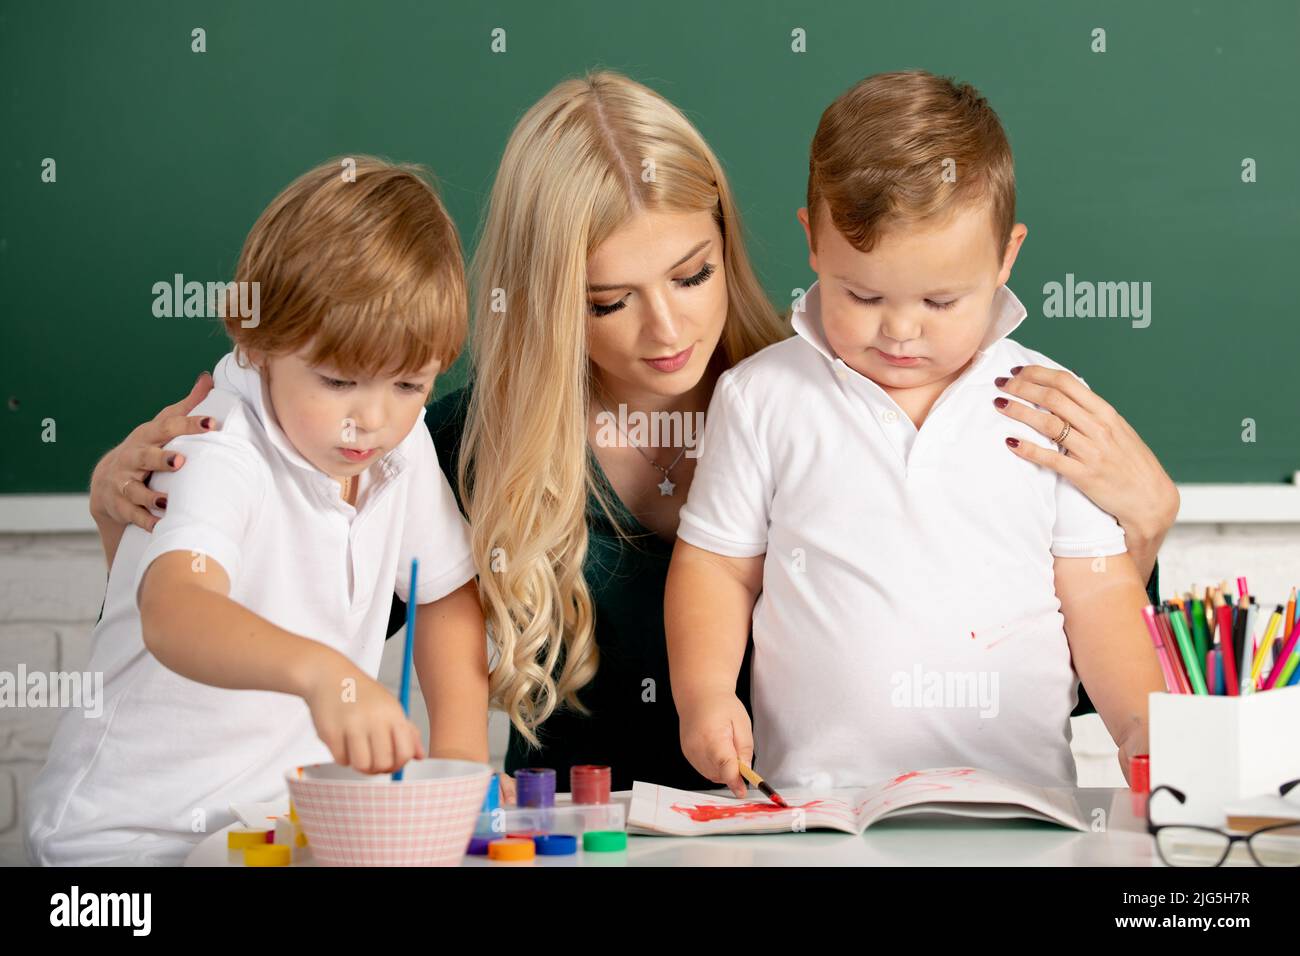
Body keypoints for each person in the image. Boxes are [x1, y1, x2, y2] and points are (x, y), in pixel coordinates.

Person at [668, 71, 1166, 794]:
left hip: (1019, 804)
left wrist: (1141, 725)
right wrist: (705, 696)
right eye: (863, 295)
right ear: (812, 240)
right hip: (814, 804)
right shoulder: (761, 397)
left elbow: (1098, 595)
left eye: (941, 299)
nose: (900, 331)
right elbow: (716, 568)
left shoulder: (1050, 404)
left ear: (1006, 258)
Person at [26, 158, 487, 865]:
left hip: (266, 831)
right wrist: (321, 673)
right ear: (257, 342)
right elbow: (175, 607)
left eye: (409, 382)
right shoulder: (217, 448)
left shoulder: (402, 443)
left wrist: (460, 765)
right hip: (126, 840)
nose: (371, 417)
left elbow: (447, 591)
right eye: (338, 381)